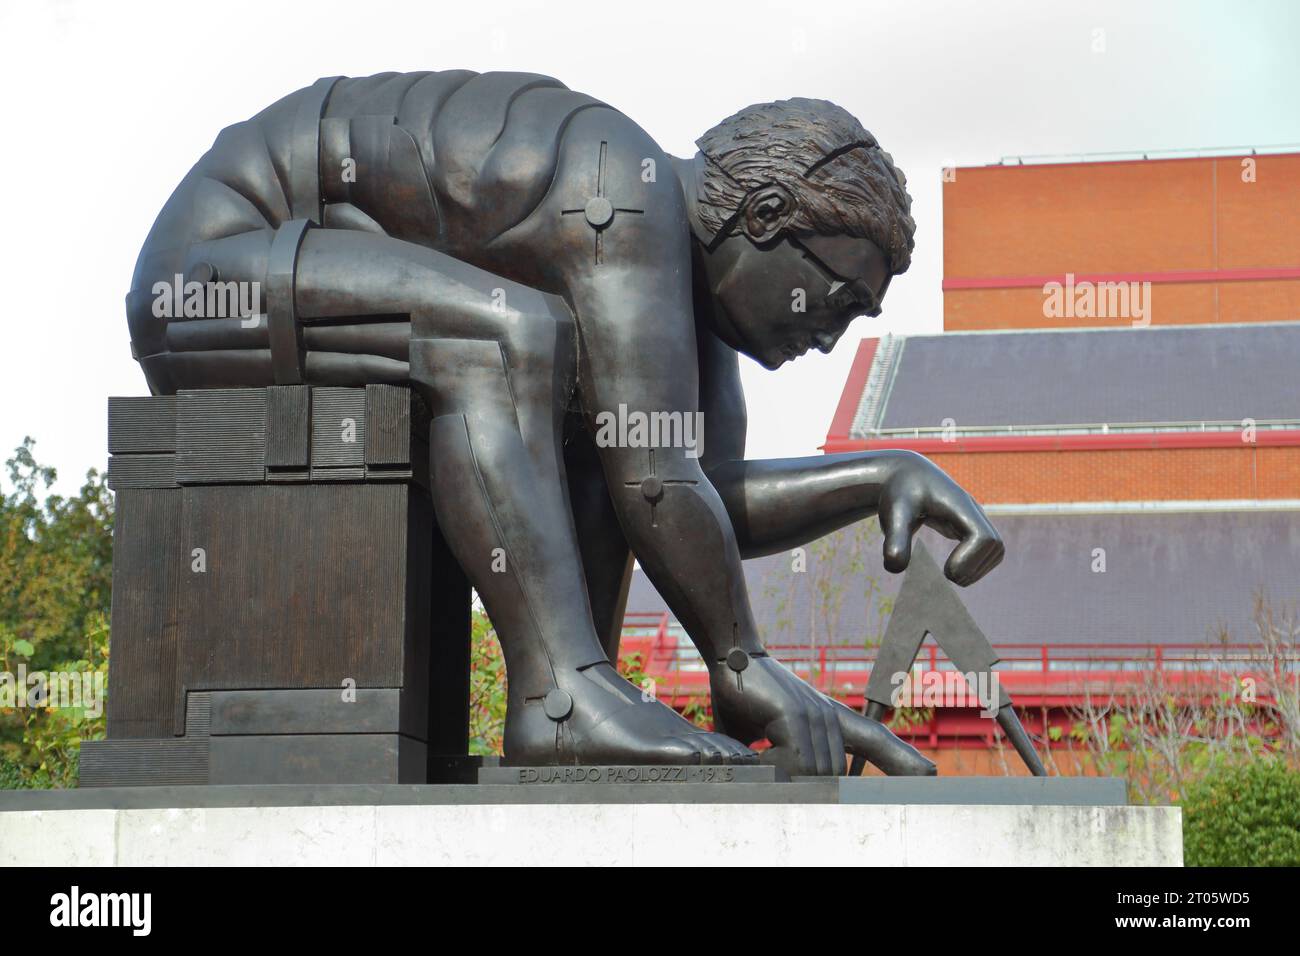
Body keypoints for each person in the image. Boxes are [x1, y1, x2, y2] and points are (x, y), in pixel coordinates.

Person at [127, 71, 1004, 775]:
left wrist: (880, 474)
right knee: (505, 334)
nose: (826, 335)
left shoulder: (685, 301)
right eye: (838, 300)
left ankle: (586, 694)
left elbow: (701, 506)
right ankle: (562, 699)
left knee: (581, 401)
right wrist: (740, 666)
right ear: (765, 218)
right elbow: (657, 483)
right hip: (213, 277)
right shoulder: (618, 188)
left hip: (295, 275)